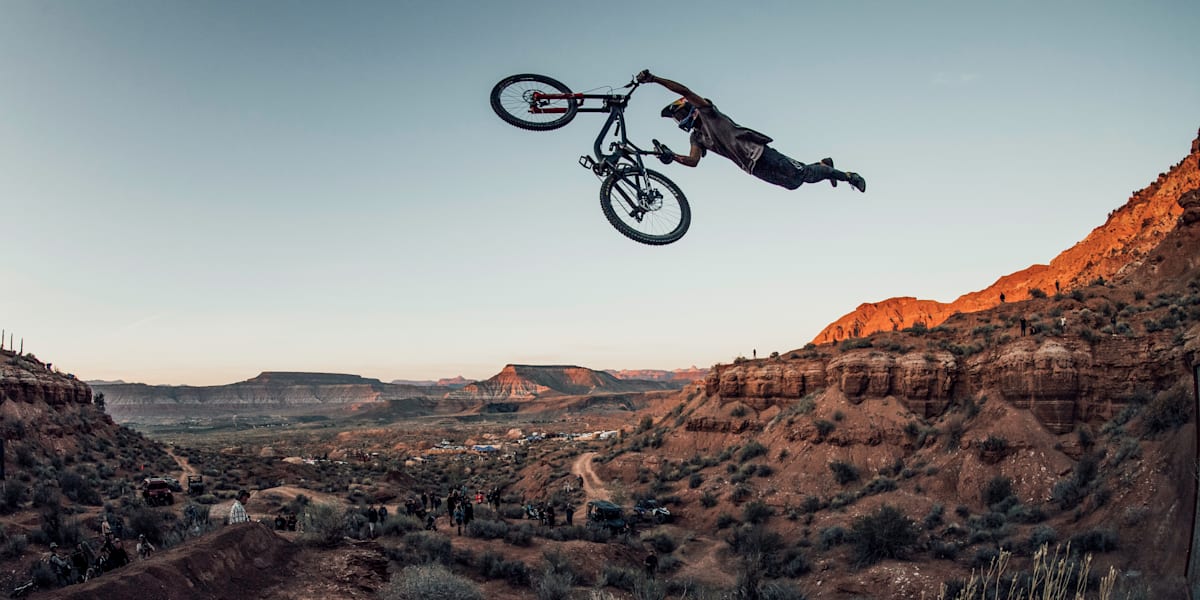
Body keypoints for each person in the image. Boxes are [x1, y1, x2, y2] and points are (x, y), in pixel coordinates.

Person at [635, 70, 865, 194]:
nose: (678, 121)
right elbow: (693, 161)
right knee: (793, 184)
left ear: (689, 108)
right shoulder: (696, 137)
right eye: (675, 119)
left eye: (678, 115)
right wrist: (671, 157)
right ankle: (823, 165)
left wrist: (654, 79)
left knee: (802, 174)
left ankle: (847, 176)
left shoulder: (707, 112)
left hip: (759, 153)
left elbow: (685, 89)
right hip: (751, 167)